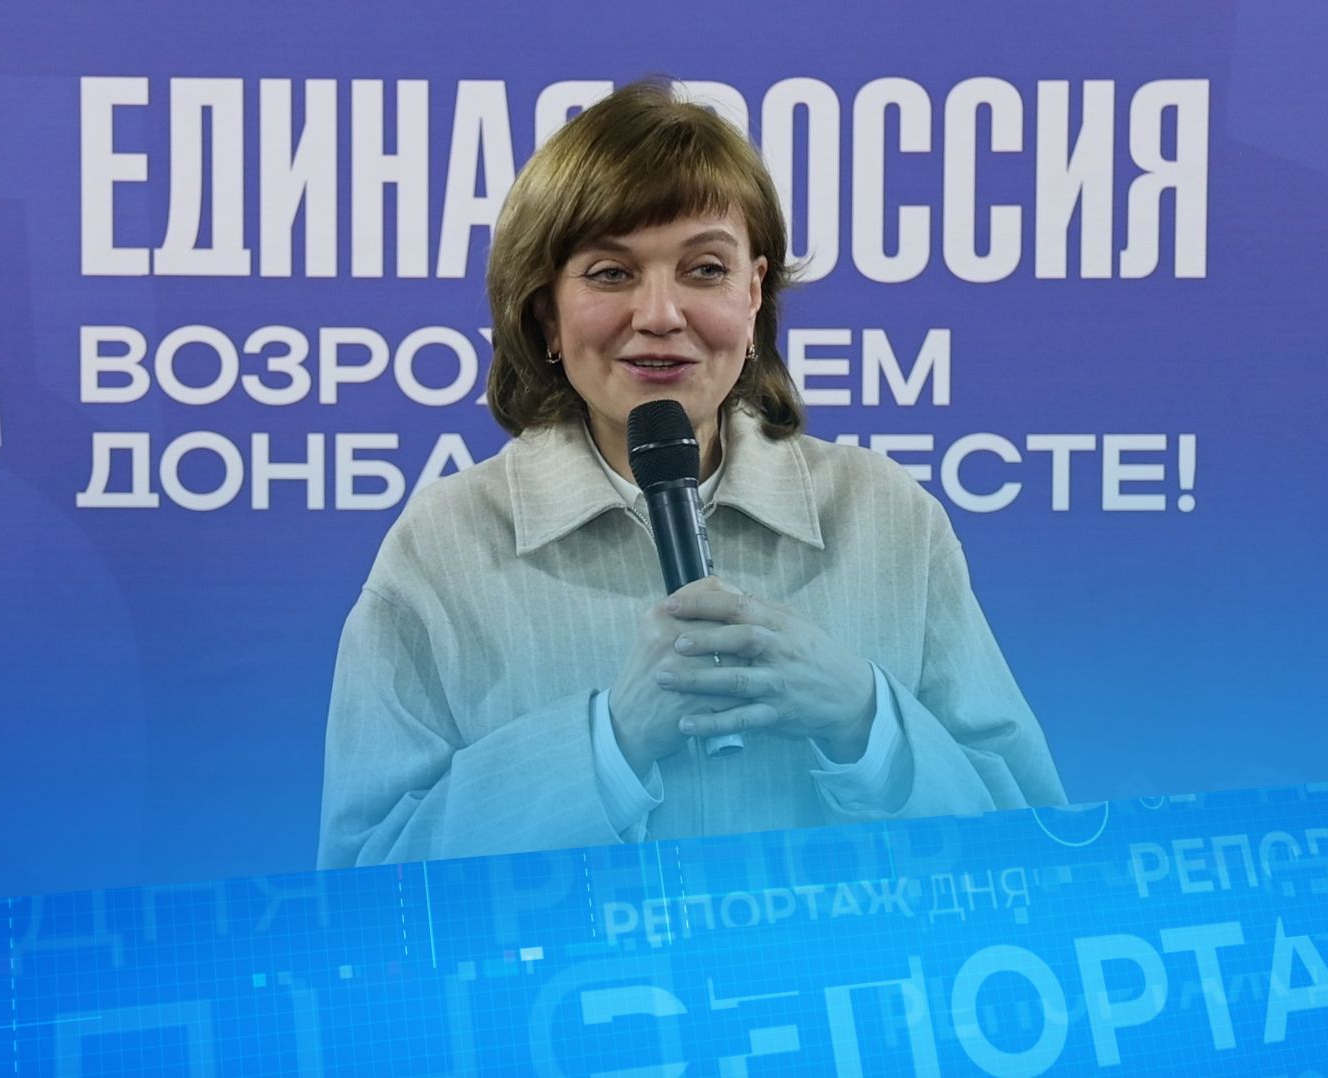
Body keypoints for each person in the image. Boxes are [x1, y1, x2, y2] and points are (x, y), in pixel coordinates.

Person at [317, 80, 1064, 870]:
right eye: (610, 273)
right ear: (546, 315)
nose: (661, 315)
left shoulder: (886, 517)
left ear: (753, 295)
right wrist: (608, 746)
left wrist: (868, 721)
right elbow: (367, 883)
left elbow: (1040, 849)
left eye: (705, 269)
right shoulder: (442, 550)